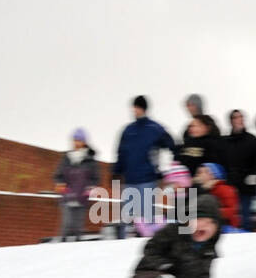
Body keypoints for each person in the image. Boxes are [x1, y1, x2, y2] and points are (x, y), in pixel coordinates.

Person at [94, 195, 221, 278]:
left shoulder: (207, 251)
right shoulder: (173, 232)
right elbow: (150, 248)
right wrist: (164, 265)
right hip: (147, 276)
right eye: (199, 219)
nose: (204, 226)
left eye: (210, 223)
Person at [113, 95, 175, 241]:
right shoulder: (128, 130)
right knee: (128, 215)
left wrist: (166, 169)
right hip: (130, 178)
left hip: (147, 178)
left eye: (136, 107)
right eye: (133, 107)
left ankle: (148, 242)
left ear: (143, 108)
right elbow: (121, 152)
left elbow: (172, 145)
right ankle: (125, 241)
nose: (134, 110)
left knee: (147, 216)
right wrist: (116, 171)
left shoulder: (155, 128)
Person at [52, 128, 100, 242]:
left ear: (84, 142)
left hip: (82, 198)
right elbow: (58, 175)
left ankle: (76, 252)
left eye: (79, 140)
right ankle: (61, 248)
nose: (76, 142)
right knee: (66, 226)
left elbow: (95, 177)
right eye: (75, 140)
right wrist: (60, 183)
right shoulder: (67, 158)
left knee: (78, 228)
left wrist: (90, 187)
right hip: (67, 197)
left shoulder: (90, 160)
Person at [223, 110, 256, 230]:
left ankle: (246, 235)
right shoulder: (226, 142)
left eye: (241, 117)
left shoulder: (252, 140)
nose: (239, 120)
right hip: (230, 185)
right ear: (231, 121)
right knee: (231, 215)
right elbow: (223, 161)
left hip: (247, 184)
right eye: (235, 117)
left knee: (246, 215)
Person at [193, 163, 240, 231]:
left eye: (203, 172)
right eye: (198, 172)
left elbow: (232, 211)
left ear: (213, 175)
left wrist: (211, 213)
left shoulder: (224, 189)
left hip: (226, 228)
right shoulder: (199, 190)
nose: (198, 175)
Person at [175, 114, 223, 179]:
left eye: (195, 126)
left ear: (207, 128)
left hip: (201, 184)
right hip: (182, 183)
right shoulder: (185, 145)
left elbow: (214, 168)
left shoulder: (213, 144)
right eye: (190, 126)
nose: (191, 128)